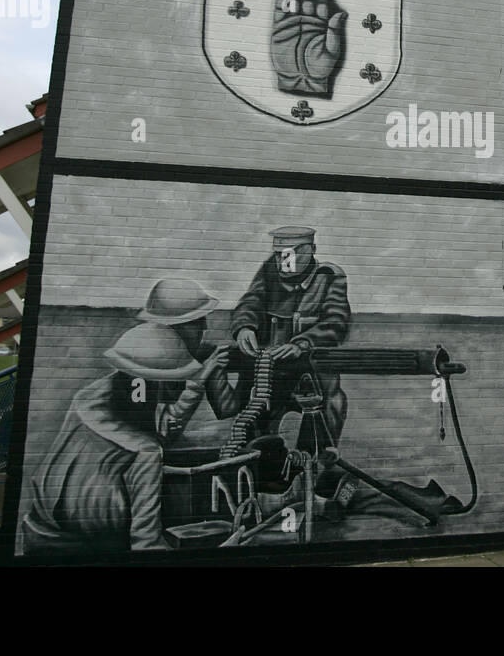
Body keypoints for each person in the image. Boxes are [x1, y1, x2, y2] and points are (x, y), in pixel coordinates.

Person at [21, 279, 232, 553]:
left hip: (43, 531)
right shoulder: (144, 451)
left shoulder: (90, 398)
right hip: (87, 545)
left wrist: (197, 382)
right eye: (197, 321)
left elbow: (160, 426)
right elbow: (146, 544)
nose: (204, 329)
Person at [229, 226, 351, 448]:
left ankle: (325, 461)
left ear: (312, 249)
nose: (285, 260)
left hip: (311, 372)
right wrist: (244, 327)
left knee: (331, 409)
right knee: (256, 435)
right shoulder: (269, 270)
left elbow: (336, 322)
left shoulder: (329, 276)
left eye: (294, 253)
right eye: (279, 254)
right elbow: (251, 301)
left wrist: (302, 344)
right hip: (271, 370)